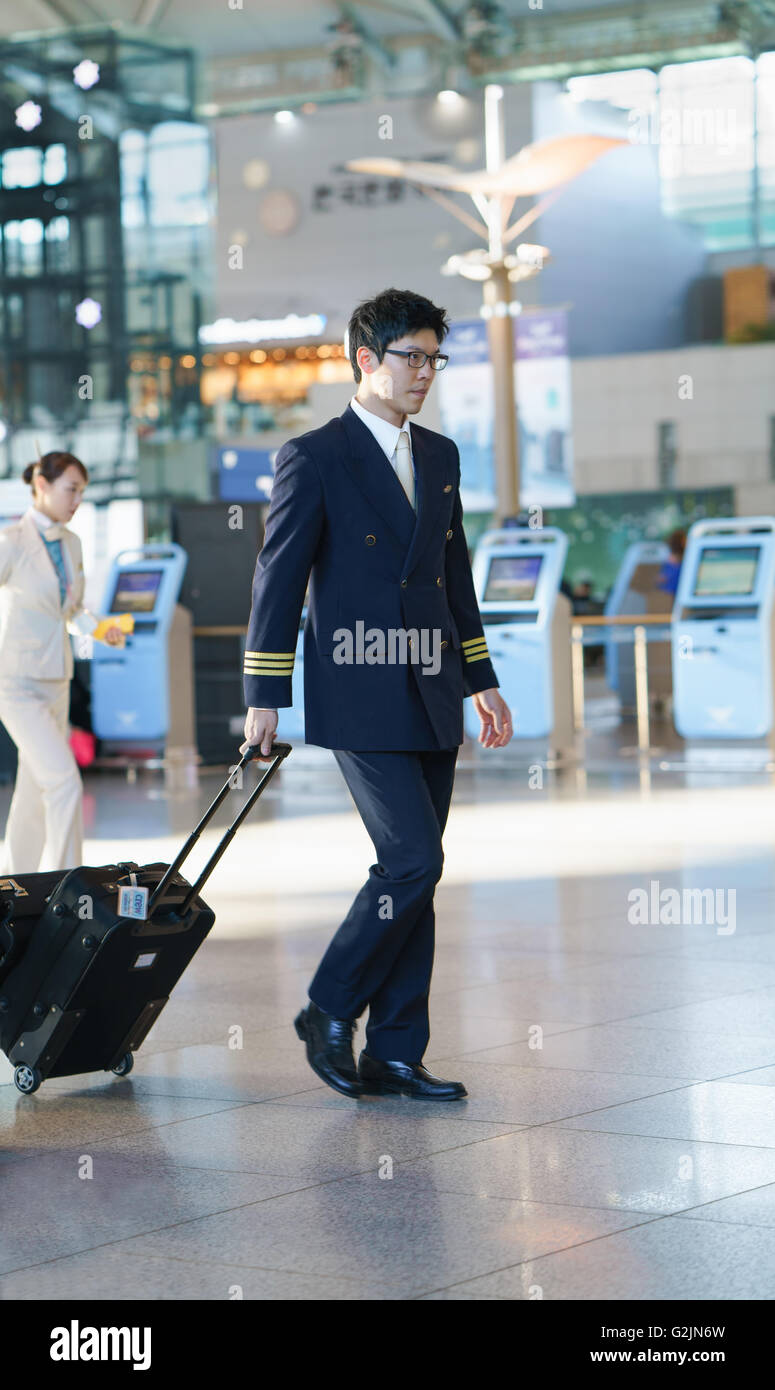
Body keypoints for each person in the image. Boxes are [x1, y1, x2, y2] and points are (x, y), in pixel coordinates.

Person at [241, 287, 512, 1102]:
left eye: (435, 357)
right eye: (412, 356)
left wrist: (481, 678)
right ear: (366, 359)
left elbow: (451, 576)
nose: (425, 372)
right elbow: (278, 577)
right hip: (357, 688)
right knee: (411, 859)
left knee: (419, 874)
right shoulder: (313, 456)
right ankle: (328, 1007)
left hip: (431, 686)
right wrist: (265, 693)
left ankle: (396, 1050)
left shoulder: (440, 457)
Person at [0, 451, 125, 874]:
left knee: (34, 789)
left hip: (57, 680)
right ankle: (67, 891)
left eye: (82, 492)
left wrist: (96, 628)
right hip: (15, 683)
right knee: (64, 782)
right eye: (71, 490)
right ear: (42, 485)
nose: (77, 501)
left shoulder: (72, 543)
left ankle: (15, 886)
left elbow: (70, 610)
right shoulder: (12, 542)